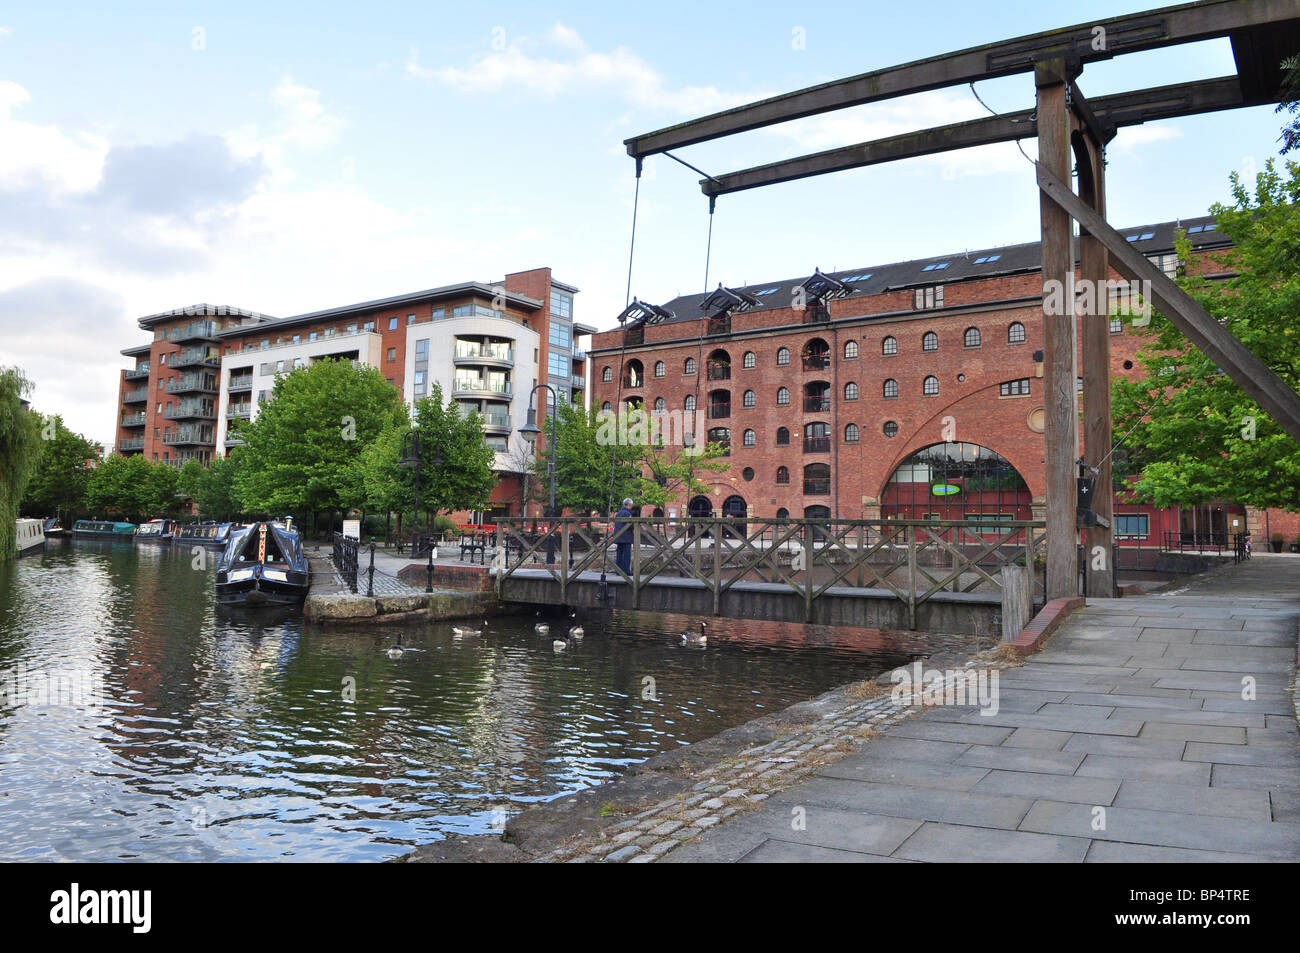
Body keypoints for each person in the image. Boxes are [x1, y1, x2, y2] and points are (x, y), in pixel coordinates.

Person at [613, 497, 636, 575]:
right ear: (629, 505)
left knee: (619, 554)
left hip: (618, 537)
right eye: (632, 505)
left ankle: (618, 571)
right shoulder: (628, 513)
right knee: (626, 555)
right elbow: (630, 525)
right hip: (626, 537)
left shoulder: (618, 513)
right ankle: (626, 571)